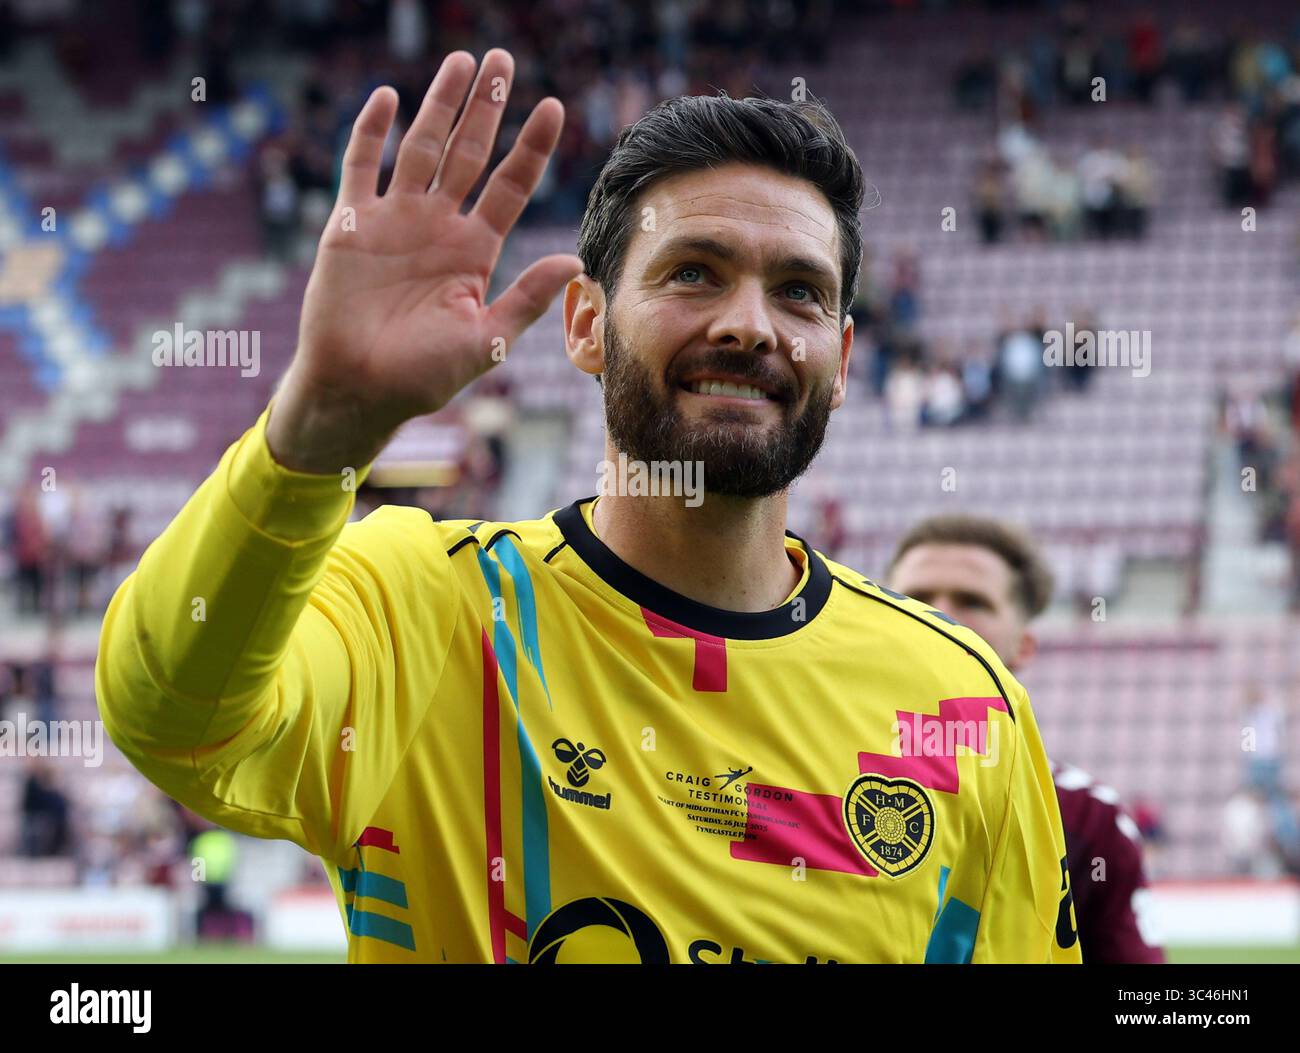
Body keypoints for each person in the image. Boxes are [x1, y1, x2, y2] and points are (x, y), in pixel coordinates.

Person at [98, 49, 1076, 964]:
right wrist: (313, 433)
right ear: (584, 326)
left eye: (799, 293)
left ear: (845, 360)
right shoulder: (421, 605)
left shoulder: (963, 701)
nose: (748, 325)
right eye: (692, 272)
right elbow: (171, 714)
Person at [887, 514, 1164, 964]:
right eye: (914, 597)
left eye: (972, 601)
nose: (935, 615)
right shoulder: (810, 774)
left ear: (1024, 646)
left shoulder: (1089, 822)